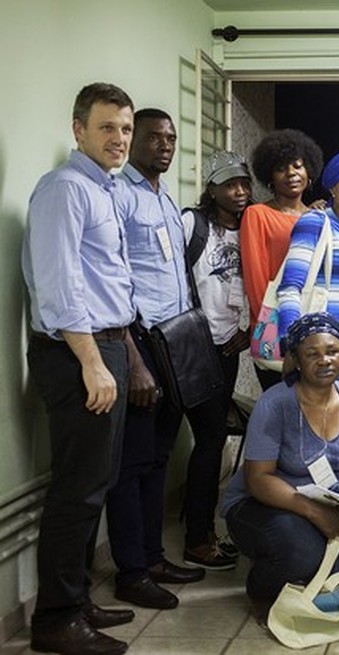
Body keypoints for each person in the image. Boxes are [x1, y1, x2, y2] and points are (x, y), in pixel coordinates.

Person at [23, 82, 136, 655]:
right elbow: (61, 286)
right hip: (76, 353)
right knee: (76, 490)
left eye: (124, 128)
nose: (119, 139)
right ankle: (55, 619)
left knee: (96, 484)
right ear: (78, 130)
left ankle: (77, 598)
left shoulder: (105, 189)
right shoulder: (65, 190)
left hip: (105, 347)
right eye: (107, 127)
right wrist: (92, 361)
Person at [221, 313, 339, 625]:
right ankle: (262, 589)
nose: (324, 360)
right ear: (295, 360)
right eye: (312, 353)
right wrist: (313, 511)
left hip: (333, 498)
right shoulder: (275, 404)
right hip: (266, 502)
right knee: (300, 548)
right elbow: (259, 480)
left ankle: (306, 584)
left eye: (332, 351)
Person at [108, 108, 205, 612]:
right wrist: (134, 358)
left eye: (170, 137)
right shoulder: (119, 197)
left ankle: (152, 557)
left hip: (173, 344)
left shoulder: (164, 200)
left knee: (158, 458)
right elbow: (115, 281)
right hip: (139, 344)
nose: (164, 145)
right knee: (132, 462)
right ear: (133, 141)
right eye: (153, 137)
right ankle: (131, 570)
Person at [178, 150, 253, 571]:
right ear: (211, 188)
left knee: (212, 440)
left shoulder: (249, 227)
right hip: (192, 349)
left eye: (243, 183)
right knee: (207, 442)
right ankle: (197, 538)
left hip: (226, 348)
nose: (239, 191)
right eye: (229, 184)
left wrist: (245, 331)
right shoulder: (193, 224)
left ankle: (203, 533)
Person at [277, 151, 339, 390]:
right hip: (322, 347)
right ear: (332, 188)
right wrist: (292, 344)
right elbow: (290, 287)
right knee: (322, 424)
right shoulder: (316, 222)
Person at [241, 129, 324, 389]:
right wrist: (271, 328)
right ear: (270, 177)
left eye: (298, 166)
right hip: (275, 329)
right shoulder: (257, 214)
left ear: (309, 171)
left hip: (314, 326)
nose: (291, 173)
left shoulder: (320, 217)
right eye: (281, 168)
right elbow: (255, 281)